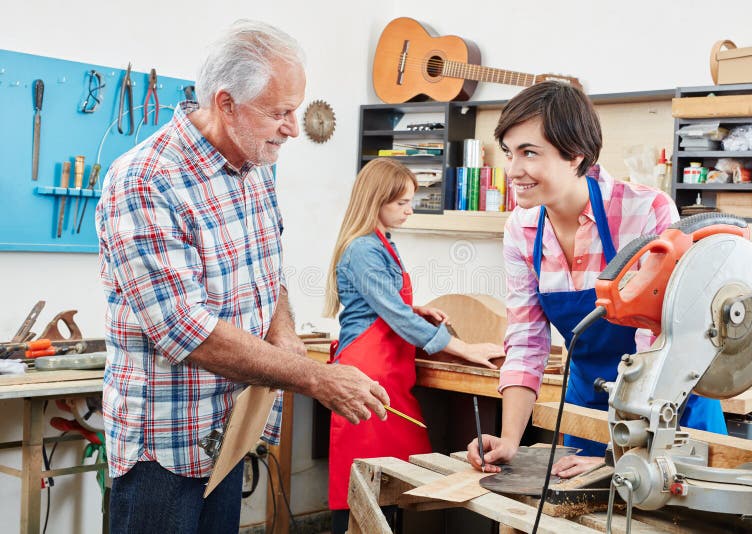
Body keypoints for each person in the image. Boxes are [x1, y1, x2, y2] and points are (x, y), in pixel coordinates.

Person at [96, 20, 390, 534]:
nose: (294, 128)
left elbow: (266, 270)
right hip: (164, 445)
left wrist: (283, 332)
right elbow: (187, 331)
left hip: (227, 430)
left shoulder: (253, 171)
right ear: (226, 103)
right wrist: (315, 378)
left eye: (296, 110)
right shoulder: (145, 181)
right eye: (280, 113)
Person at [465, 81, 728, 479]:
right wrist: (509, 439)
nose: (513, 170)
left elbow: (657, 344)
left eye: (529, 153)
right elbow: (526, 341)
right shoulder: (521, 228)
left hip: (667, 414)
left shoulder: (647, 213)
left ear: (576, 155)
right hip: (589, 408)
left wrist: (623, 452)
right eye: (509, 152)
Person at [323, 158, 505, 533]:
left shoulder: (383, 243)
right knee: (362, 479)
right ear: (377, 201)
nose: (410, 210)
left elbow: (386, 305)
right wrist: (463, 348)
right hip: (368, 374)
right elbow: (395, 318)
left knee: (393, 473)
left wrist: (415, 308)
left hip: (388, 372)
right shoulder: (363, 250)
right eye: (402, 203)